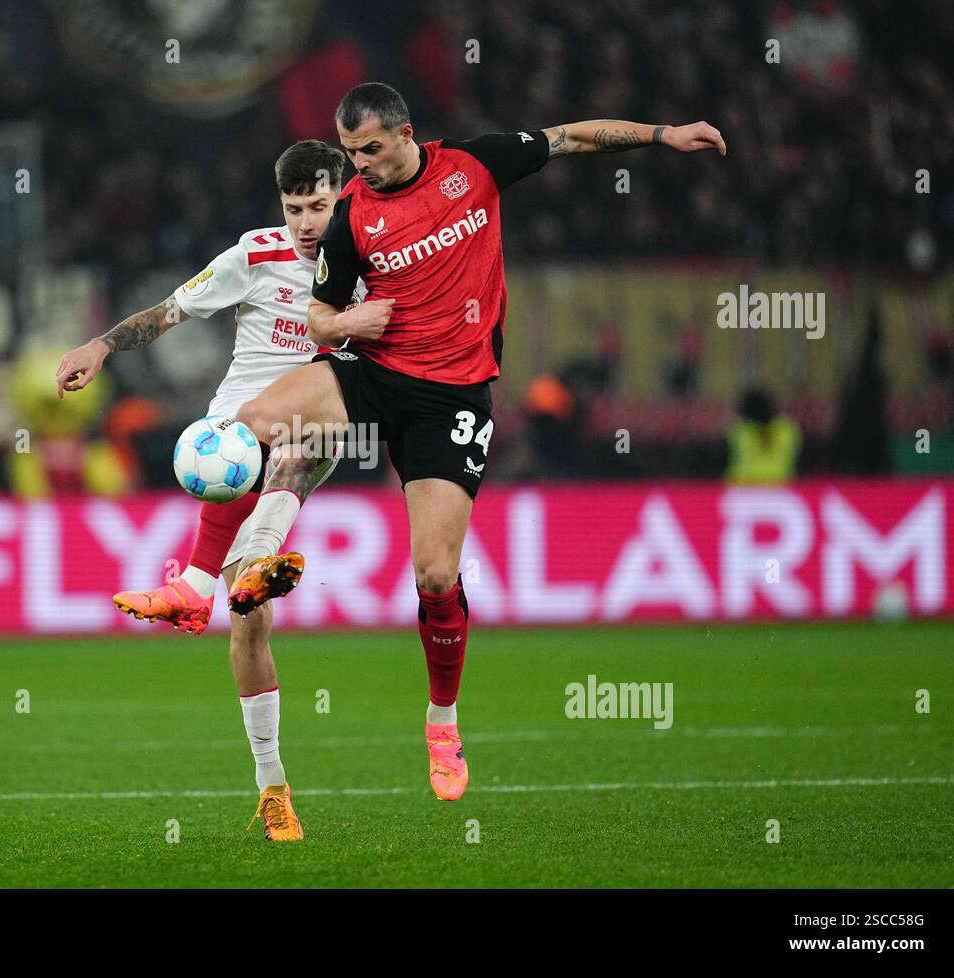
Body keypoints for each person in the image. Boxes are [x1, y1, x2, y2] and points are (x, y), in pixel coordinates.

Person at [227, 82, 726, 803]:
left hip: (450, 399)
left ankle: (441, 721)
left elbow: (573, 136)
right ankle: (257, 554)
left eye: (368, 149)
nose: (358, 165)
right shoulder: (351, 221)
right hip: (373, 373)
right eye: (348, 153)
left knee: (434, 575)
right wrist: (348, 329)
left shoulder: (476, 166)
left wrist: (662, 133)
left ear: (404, 134)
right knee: (254, 422)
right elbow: (319, 318)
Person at [55, 140, 365, 841]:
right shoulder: (253, 255)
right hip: (232, 439)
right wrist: (99, 347)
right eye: (295, 209)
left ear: (343, 193)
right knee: (250, 623)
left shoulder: (372, 257)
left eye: (319, 206)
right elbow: (170, 313)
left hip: (314, 419)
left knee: (299, 437)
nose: (308, 222)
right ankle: (272, 785)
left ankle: (214, 577)